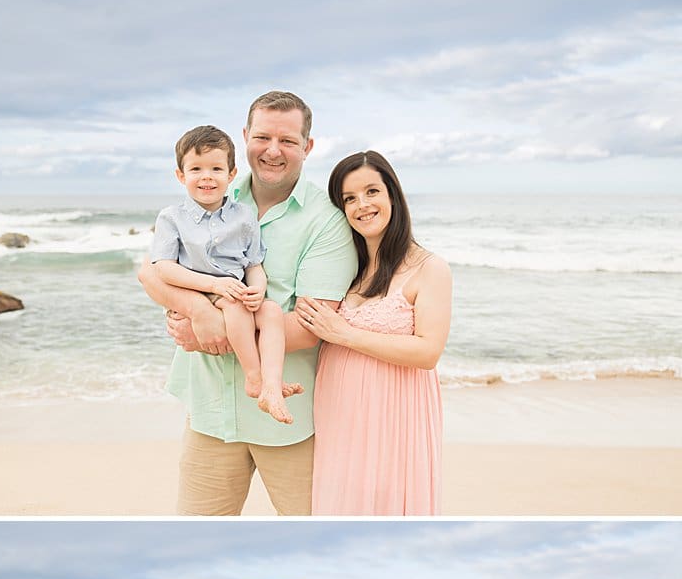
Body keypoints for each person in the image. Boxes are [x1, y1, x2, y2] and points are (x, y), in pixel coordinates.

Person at [139, 91, 357, 516]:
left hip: (287, 422)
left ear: (307, 147)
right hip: (210, 411)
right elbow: (150, 271)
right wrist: (200, 311)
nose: (273, 151)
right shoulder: (208, 191)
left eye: (288, 141)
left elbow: (314, 323)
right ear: (245, 137)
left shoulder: (327, 220)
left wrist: (211, 332)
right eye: (262, 137)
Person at [298, 152, 452, 515]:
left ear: (392, 196)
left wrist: (344, 334)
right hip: (340, 416)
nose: (361, 205)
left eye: (371, 192)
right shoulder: (345, 269)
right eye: (349, 199)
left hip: (394, 417)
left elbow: (428, 351)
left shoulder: (430, 268)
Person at [148, 126, 298, 424]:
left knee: (270, 311)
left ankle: (271, 382)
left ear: (231, 174)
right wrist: (214, 284)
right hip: (199, 290)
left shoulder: (244, 216)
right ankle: (254, 377)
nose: (207, 176)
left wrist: (257, 288)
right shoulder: (171, 217)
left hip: (234, 289)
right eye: (196, 169)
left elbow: (253, 264)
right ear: (181, 175)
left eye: (216, 168)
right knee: (234, 305)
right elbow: (163, 267)